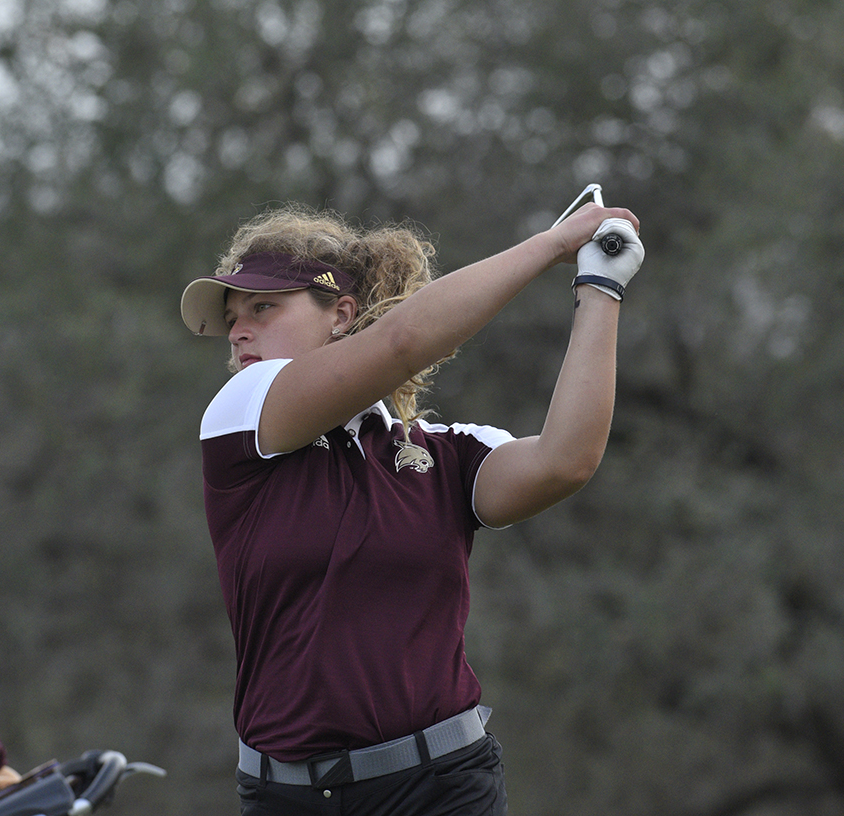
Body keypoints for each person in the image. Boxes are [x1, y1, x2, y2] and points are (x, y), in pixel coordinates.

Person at [179, 197, 644, 816]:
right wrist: (552, 243)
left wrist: (600, 285)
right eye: (233, 316)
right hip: (286, 797)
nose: (238, 331)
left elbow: (566, 462)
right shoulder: (240, 415)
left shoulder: (446, 455)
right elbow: (400, 342)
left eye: (263, 307)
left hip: (440, 788)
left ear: (342, 314)